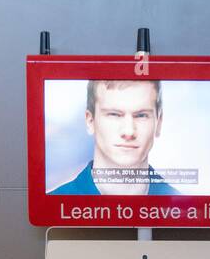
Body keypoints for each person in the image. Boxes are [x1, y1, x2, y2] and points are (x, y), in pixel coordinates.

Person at [51, 80, 179, 195]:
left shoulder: (184, 210)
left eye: (141, 116)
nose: (129, 131)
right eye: (114, 115)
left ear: (159, 123)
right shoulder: (53, 207)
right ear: (90, 121)